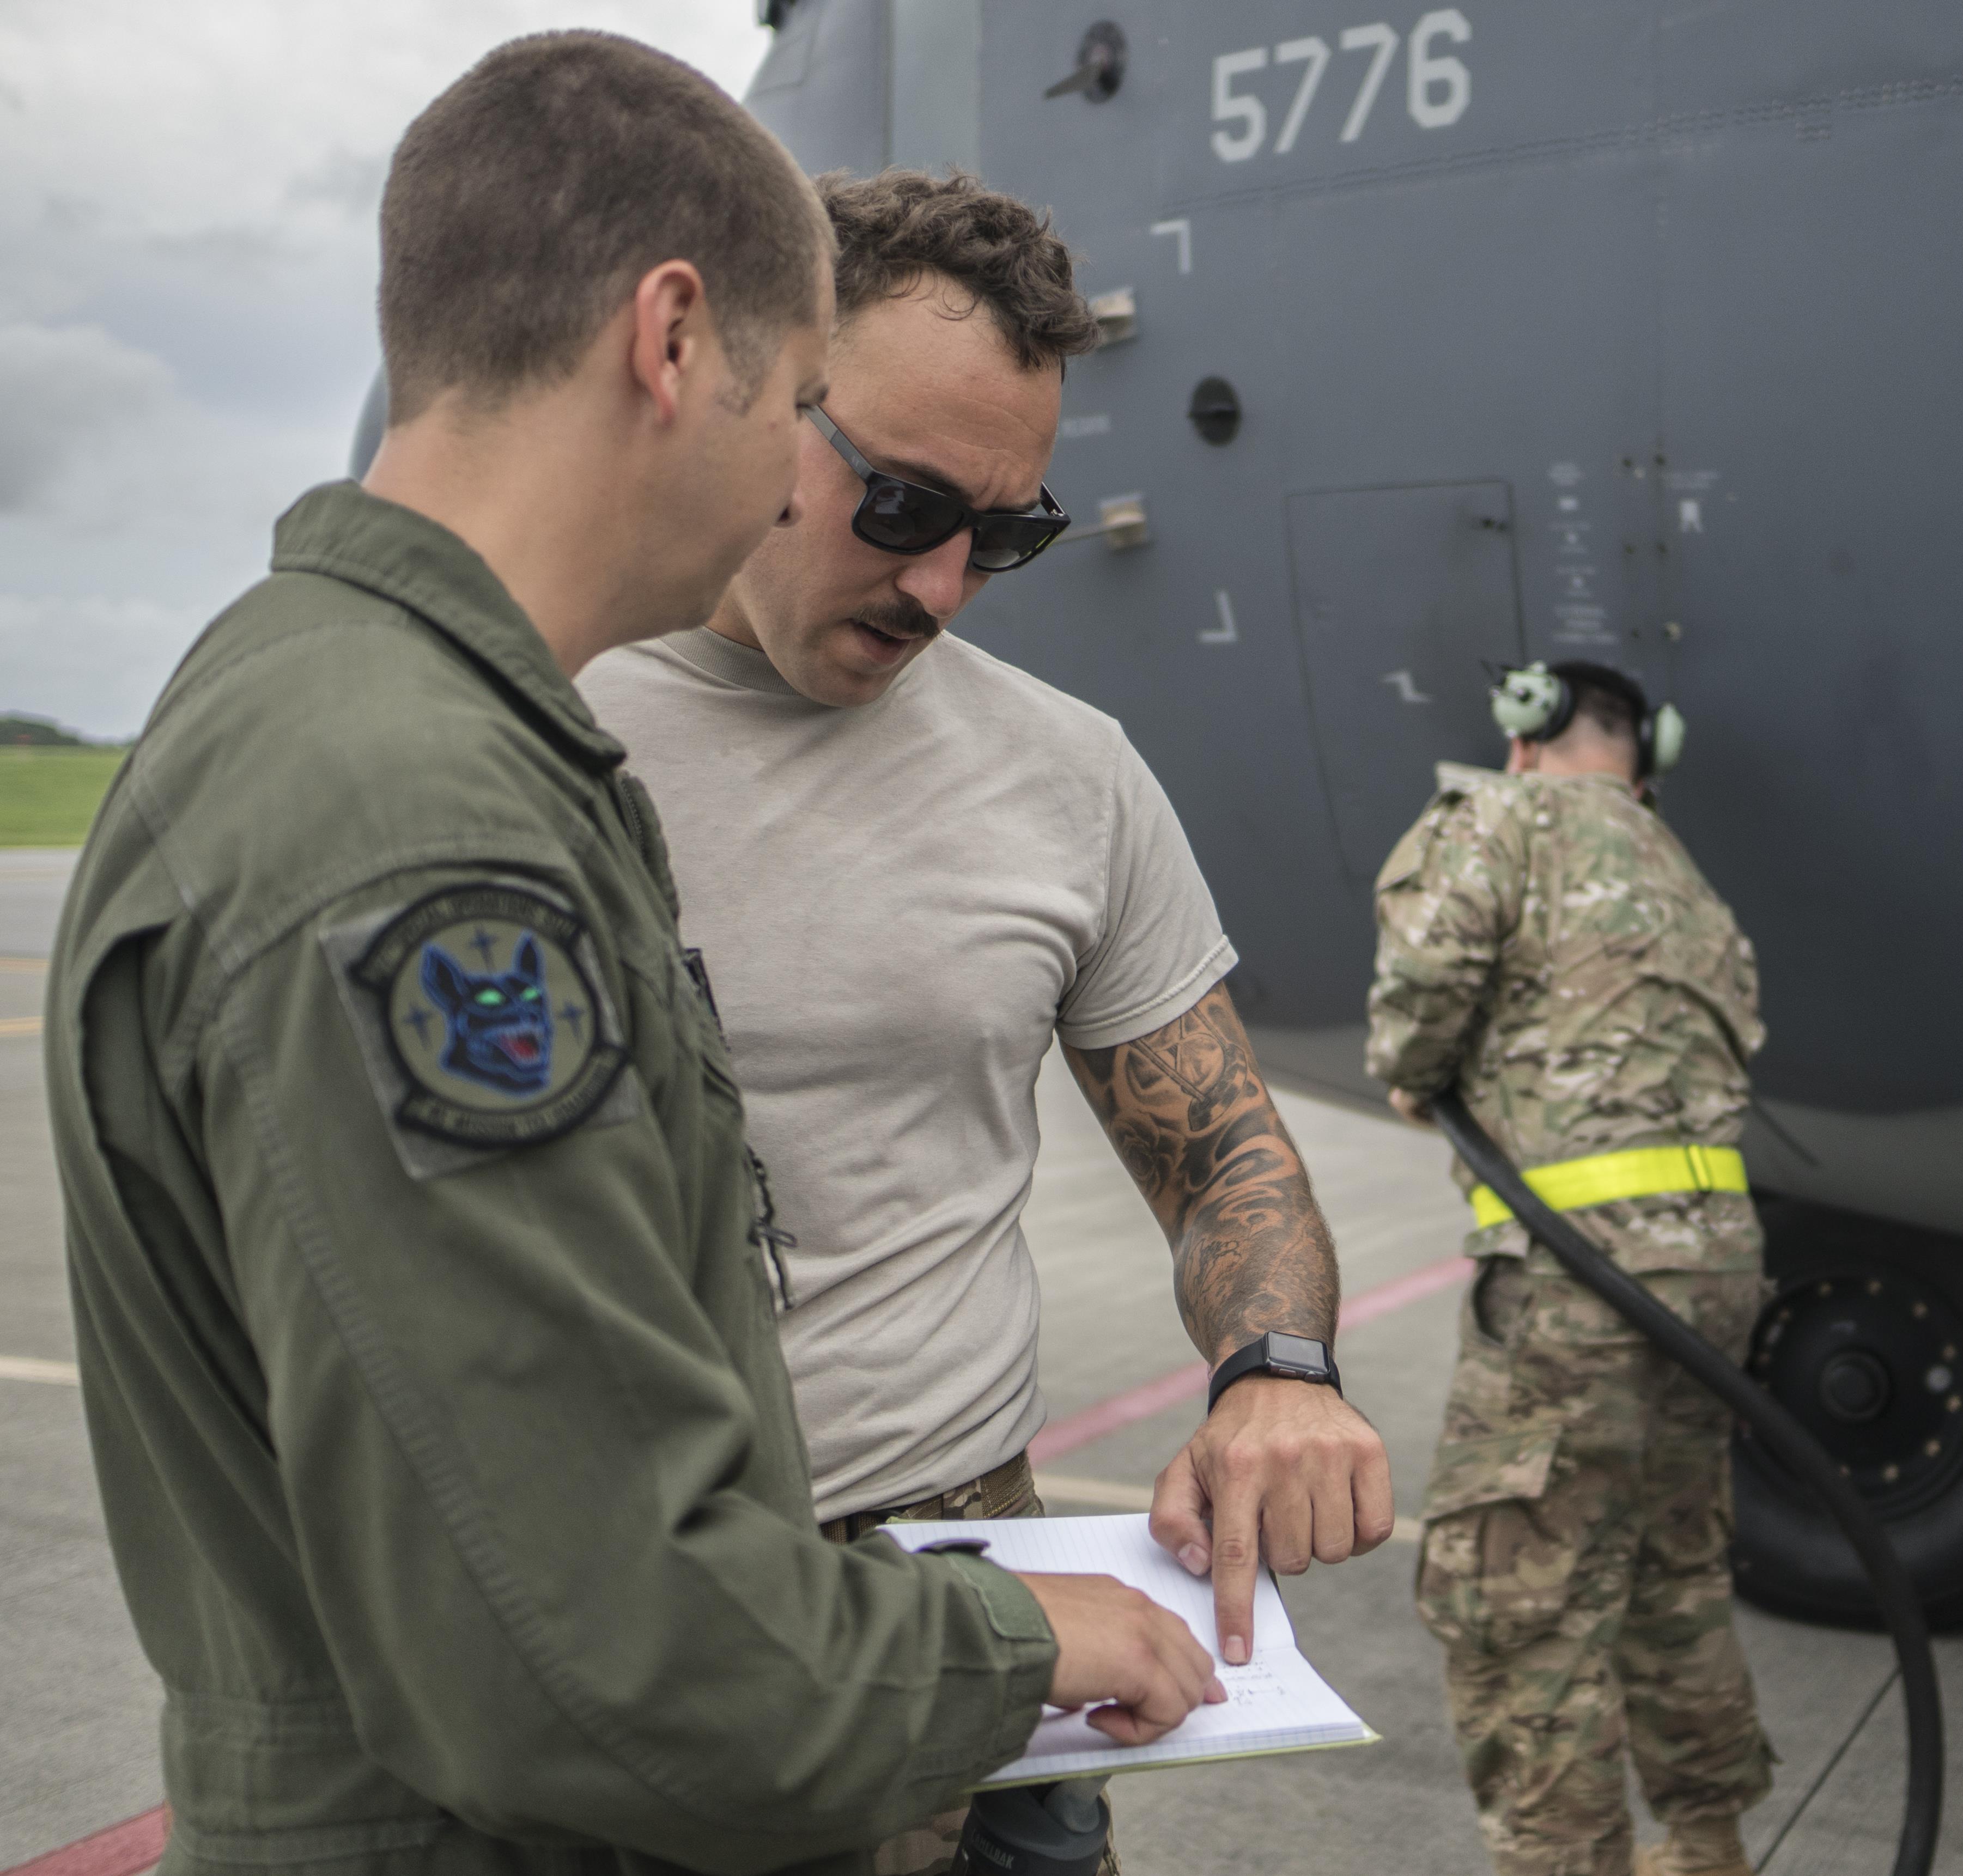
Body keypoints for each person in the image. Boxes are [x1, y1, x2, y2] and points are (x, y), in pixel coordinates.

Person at [44, 38, 1216, 1875]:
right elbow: (599, 1658)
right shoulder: (419, 822)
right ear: (674, 345)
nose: (795, 504)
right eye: (807, 412)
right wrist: (1012, 1640)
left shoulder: (324, 701)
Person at [576, 169, 1392, 1874]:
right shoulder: (538, 725)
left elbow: (1229, 1153)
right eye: (899, 506)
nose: (944, 586)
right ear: (748, 386)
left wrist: (1276, 1368)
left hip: (982, 1612)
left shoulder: (1066, 773)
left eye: (1004, 536)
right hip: (653, 1618)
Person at [1368, 660, 1776, 1876]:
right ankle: (1707, 1844)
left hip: (1576, 1279)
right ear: (1648, 751)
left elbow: (1427, 977)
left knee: (1516, 1606)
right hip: (1716, 1276)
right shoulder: (1683, 872)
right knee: (1672, 1567)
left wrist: (1412, 1065)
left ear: (1528, 729)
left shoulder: (1501, 814)